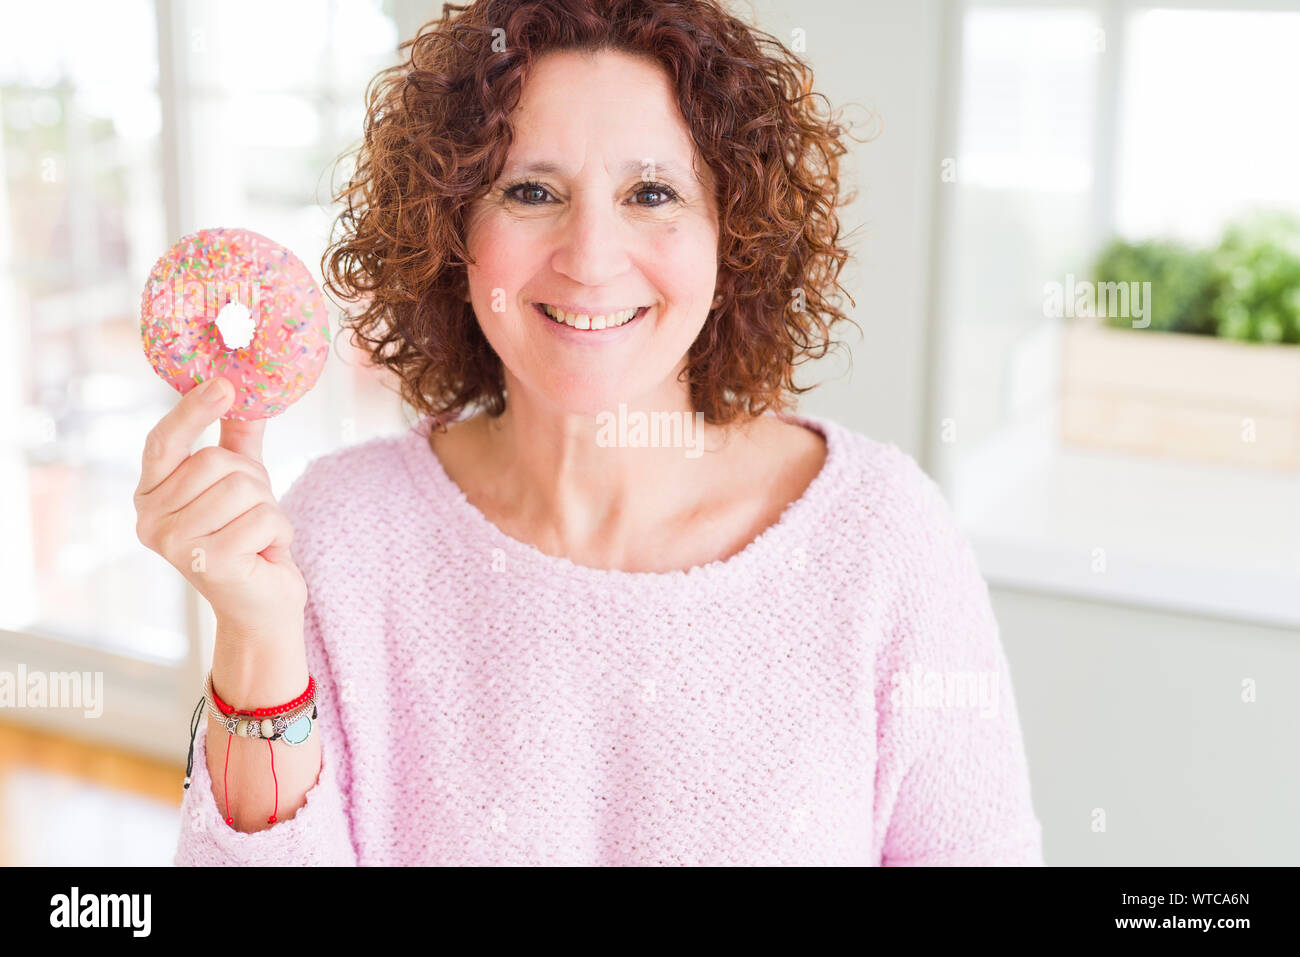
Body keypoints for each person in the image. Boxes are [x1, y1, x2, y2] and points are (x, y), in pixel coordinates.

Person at [137, 0, 1043, 865]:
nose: (591, 258)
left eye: (652, 193)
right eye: (532, 190)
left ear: (734, 237)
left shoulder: (884, 539)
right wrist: (256, 639)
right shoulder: (335, 534)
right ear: (453, 229)